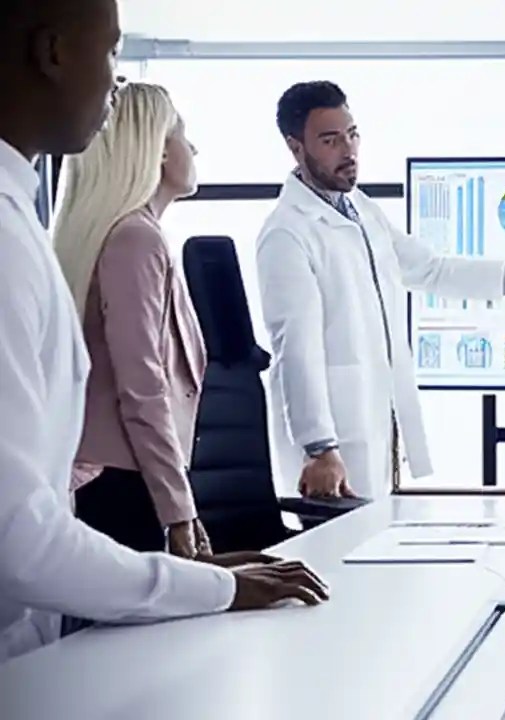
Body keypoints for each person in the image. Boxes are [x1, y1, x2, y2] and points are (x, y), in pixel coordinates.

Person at [0, 0, 328, 665]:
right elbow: (18, 534)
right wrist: (201, 570)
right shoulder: (93, 242)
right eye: (114, 50)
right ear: (53, 52)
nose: (115, 82)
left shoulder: (24, 222)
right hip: (114, 504)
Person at [256, 81, 505, 500]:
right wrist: (319, 447)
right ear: (295, 147)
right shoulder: (287, 233)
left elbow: (428, 270)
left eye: (353, 134)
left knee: (372, 547)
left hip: (373, 419)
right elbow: (296, 349)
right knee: (334, 555)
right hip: (332, 440)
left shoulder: (361, 210)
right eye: (330, 139)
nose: (349, 150)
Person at [51, 82, 212, 558]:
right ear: (160, 152)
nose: (194, 147)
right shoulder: (135, 240)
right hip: (123, 483)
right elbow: (142, 389)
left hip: (123, 479)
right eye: (183, 134)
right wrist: (179, 510)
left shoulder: (132, 234)